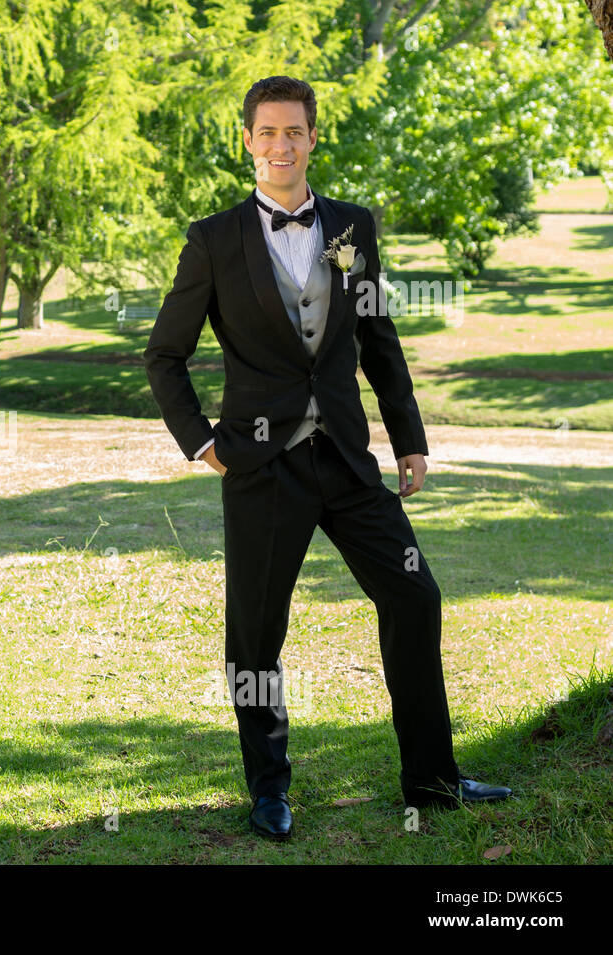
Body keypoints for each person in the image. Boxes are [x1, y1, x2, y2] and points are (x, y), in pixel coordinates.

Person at [144, 75, 512, 840]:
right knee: (256, 636)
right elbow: (164, 357)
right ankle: (269, 788)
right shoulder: (213, 240)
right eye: (268, 132)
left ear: (314, 138)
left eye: (295, 132)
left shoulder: (353, 229)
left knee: (415, 597)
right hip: (260, 467)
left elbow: (378, 337)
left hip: (347, 459)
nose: (282, 145)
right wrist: (205, 442)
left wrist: (408, 436)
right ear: (247, 140)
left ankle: (434, 779)